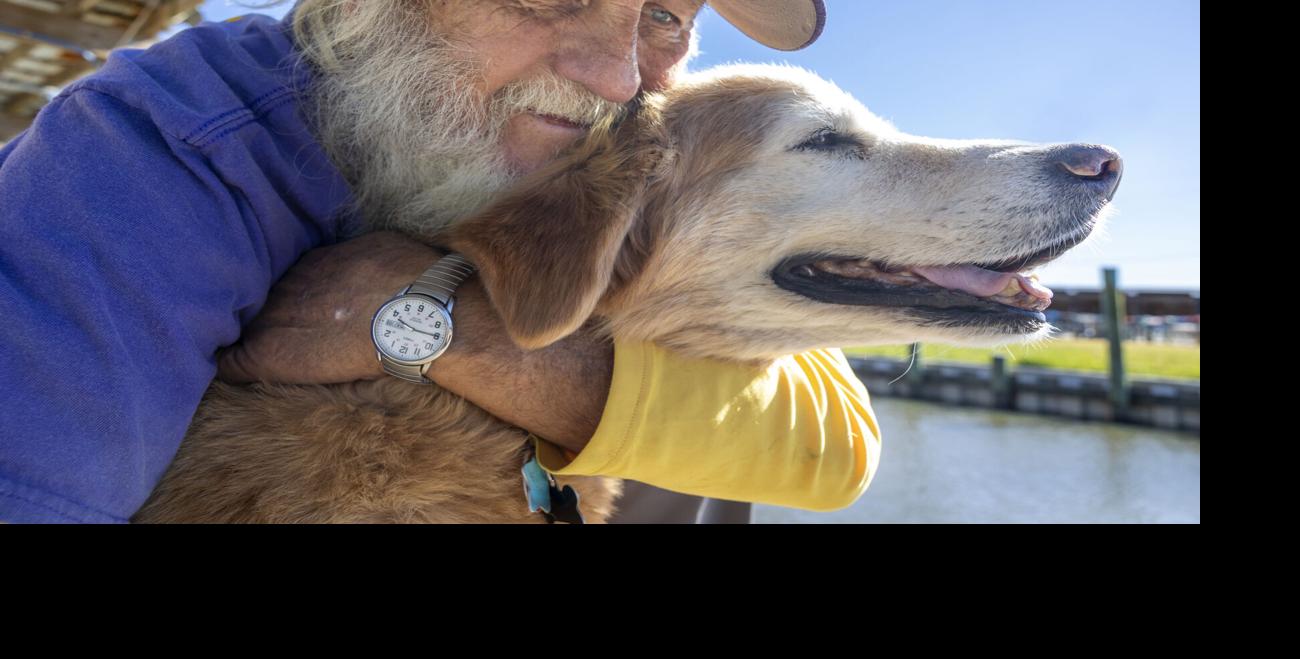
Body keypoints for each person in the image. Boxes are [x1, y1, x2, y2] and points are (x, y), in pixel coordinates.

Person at [0, 0, 878, 524]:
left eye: (663, 17)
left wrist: (428, 326)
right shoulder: (161, 149)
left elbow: (833, 442)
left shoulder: (637, 146)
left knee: (693, 374)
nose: (617, 79)